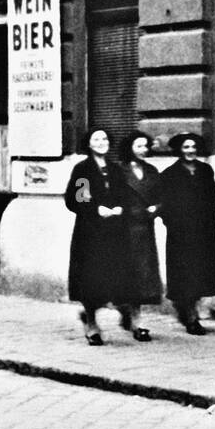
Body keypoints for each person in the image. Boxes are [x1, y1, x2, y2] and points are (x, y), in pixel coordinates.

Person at [64, 128, 131, 345]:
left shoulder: (116, 169)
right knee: (90, 279)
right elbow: (77, 200)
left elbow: (126, 195)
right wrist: (96, 210)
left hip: (115, 233)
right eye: (96, 139)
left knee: (116, 275)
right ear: (89, 144)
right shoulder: (83, 169)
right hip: (90, 234)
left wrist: (122, 208)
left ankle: (121, 311)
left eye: (105, 139)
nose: (102, 142)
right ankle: (91, 323)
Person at [160, 133, 215, 335]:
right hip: (180, 234)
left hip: (203, 232)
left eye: (193, 146)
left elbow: (214, 198)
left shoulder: (205, 170)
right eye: (186, 147)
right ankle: (190, 317)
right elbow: (165, 204)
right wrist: (173, 224)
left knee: (202, 271)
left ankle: (192, 309)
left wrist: (212, 220)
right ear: (179, 150)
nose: (190, 150)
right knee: (184, 274)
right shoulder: (170, 174)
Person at [114, 131, 164, 341]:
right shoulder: (118, 171)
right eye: (139, 146)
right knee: (128, 275)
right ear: (129, 148)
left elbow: (163, 195)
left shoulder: (152, 170)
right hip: (123, 229)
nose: (143, 150)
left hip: (145, 229)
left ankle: (135, 319)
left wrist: (157, 208)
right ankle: (128, 314)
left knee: (144, 277)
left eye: (145, 146)